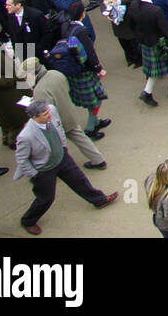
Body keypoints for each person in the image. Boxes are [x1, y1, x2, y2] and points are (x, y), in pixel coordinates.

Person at [13, 100, 117, 235]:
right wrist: (34, 174)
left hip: (62, 158)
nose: (49, 115)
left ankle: (99, 200)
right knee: (46, 198)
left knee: (79, 180)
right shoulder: (26, 136)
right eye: (45, 114)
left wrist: (63, 148)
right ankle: (28, 220)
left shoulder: (51, 113)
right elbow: (21, 158)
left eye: (48, 112)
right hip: (44, 169)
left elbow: (59, 128)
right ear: (35, 117)